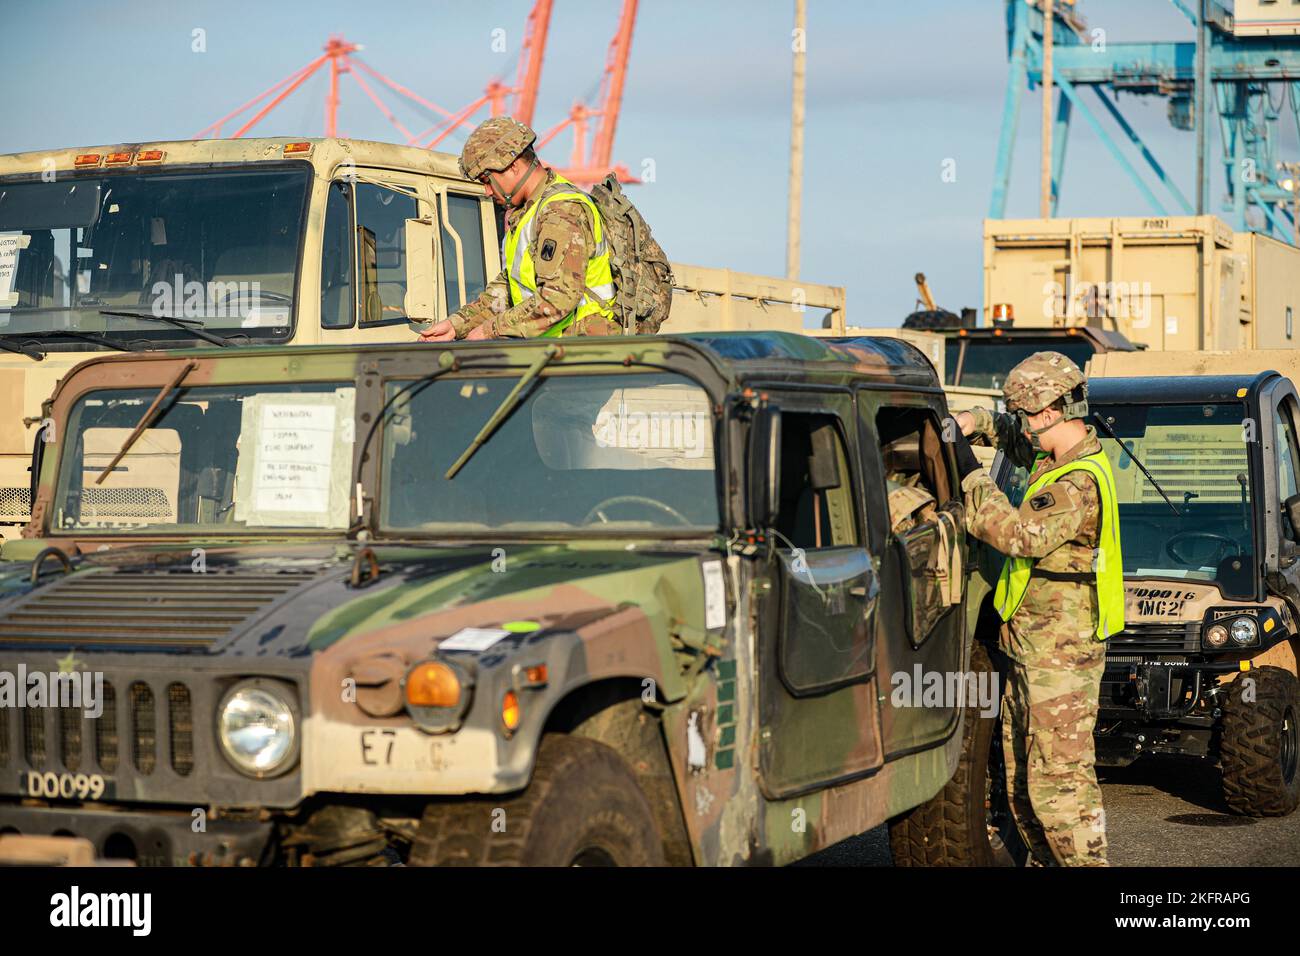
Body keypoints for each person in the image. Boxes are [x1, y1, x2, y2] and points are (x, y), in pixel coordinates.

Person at [947, 351, 1124, 867]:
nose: (1022, 425)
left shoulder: (1077, 483)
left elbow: (1017, 535)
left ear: (1049, 412)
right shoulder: (1052, 457)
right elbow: (1007, 430)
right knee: (1024, 782)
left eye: (1028, 415)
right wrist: (971, 422)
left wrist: (969, 475)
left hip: (1061, 661)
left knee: (1060, 787)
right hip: (1032, 650)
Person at [419, 117, 619, 341]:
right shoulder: (529, 214)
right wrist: (457, 325)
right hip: (553, 352)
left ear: (513, 165)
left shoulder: (561, 212)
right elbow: (509, 289)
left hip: (583, 356)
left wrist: (489, 331)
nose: (486, 191)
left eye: (487, 179)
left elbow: (557, 300)